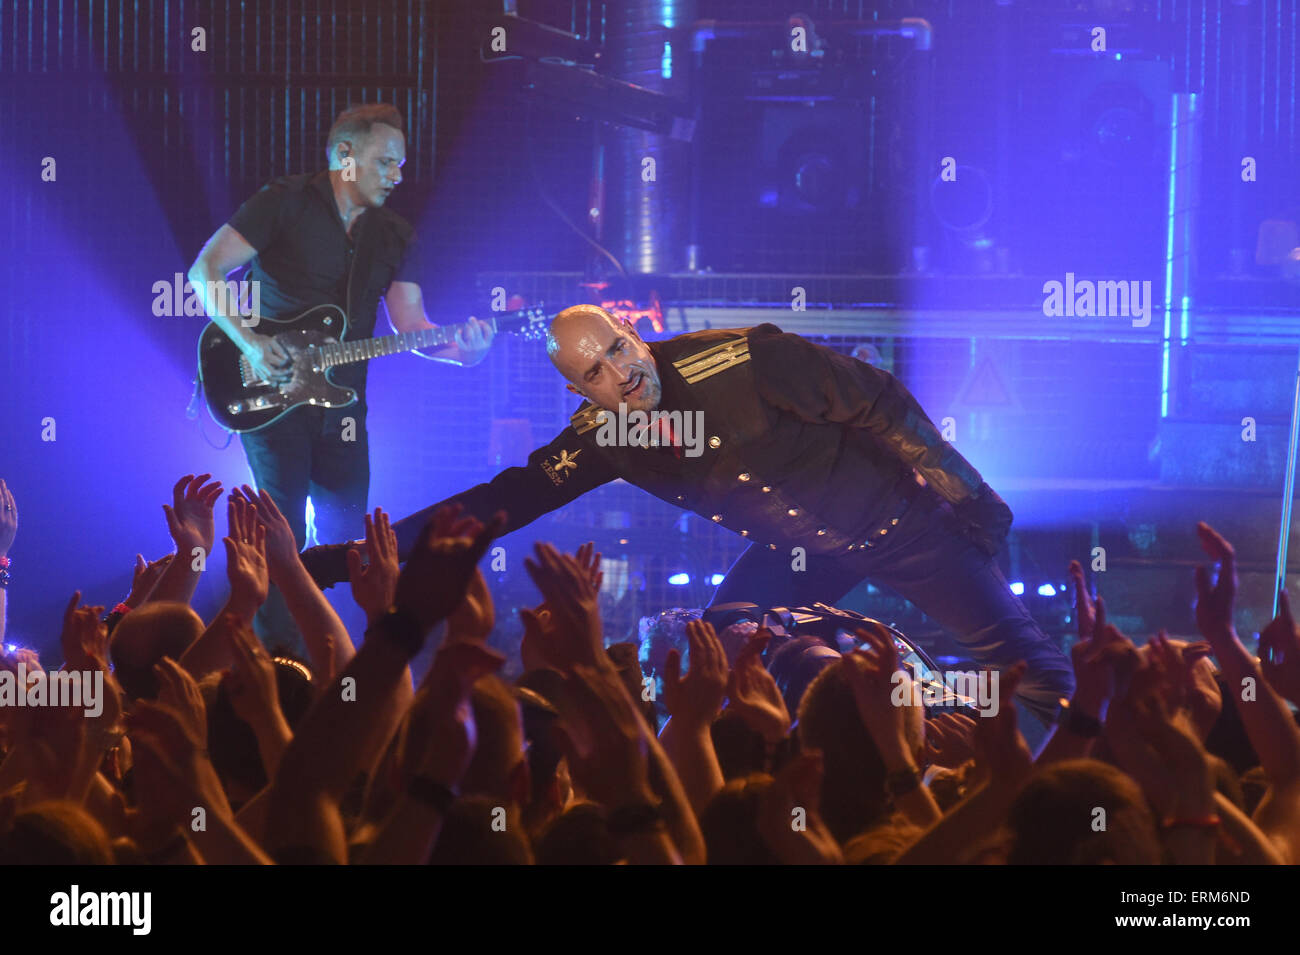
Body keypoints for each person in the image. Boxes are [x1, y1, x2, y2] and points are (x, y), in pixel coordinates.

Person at [301, 304, 1073, 722]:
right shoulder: (605, 436)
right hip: (803, 549)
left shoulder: (744, 358)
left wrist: (965, 490)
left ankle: (1016, 787)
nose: (619, 374)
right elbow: (503, 501)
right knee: (724, 645)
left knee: (1041, 677)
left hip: (903, 527)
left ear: (634, 334)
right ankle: (783, 775)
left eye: (617, 349)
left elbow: (879, 402)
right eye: (595, 372)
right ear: (583, 393)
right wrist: (344, 560)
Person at [187, 103, 495, 653]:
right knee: (282, 523)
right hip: (269, 391)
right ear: (345, 156)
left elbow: (412, 325)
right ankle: (282, 664)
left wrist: (465, 355)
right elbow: (205, 270)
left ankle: (340, 656)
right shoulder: (283, 202)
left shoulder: (396, 234)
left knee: (348, 533)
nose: (398, 175)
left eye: (402, 164)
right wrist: (252, 345)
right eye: (385, 162)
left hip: (345, 407)